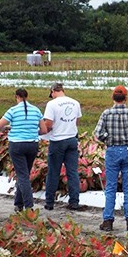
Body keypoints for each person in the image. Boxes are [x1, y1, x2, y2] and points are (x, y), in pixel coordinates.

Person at [94, 86, 128, 231]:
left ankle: (108, 220)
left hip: (112, 150)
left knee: (111, 186)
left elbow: (98, 133)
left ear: (113, 98)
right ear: (126, 98)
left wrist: (108, 139)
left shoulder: (106, 113)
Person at [0, 88, 47, 212]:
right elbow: (44, 130)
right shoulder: (36, 110)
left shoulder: (12, 111)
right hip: (32, 145)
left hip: (17, 145)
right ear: (27, 97)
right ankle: (18, 204)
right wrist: (32, 131)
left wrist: (9, 128)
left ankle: (29, 206)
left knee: (22, 175)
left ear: (16, 97)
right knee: (24, 173)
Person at [43, 82, 82, 210]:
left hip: (57, 141)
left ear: (53, 91)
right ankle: (74, 202)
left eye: (52, 94)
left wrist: (41, 133)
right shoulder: (75, 103)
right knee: (72, 172)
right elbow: (76, 121)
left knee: (53, 172)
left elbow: (48, 124)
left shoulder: (52, 104)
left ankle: (49, 202)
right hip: (72, 139)